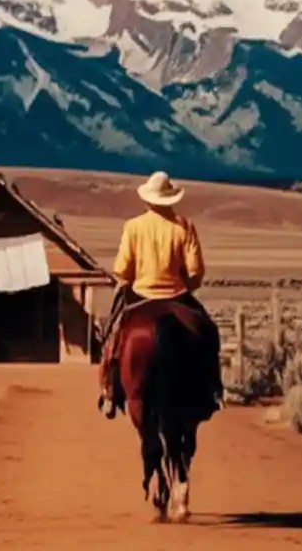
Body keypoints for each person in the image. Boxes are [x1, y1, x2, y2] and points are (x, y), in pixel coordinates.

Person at [98, 171, 224, 419]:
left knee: (112, 337)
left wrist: (130, 281)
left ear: (147, 199)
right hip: (177, 295)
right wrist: (186, 283)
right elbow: (196, 271)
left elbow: (122, 269)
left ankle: (110, 391)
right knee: (208, 332)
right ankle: (213, 389)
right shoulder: (184, 227)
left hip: (139, 294)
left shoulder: (133, 227)